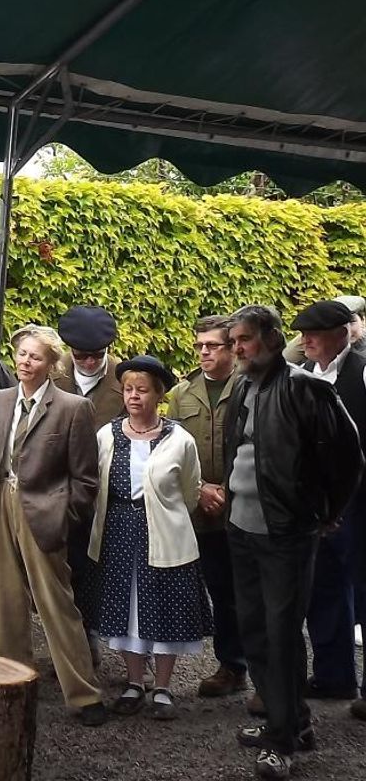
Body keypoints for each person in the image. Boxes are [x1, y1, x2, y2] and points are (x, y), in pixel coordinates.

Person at [224, 305, 362, 780]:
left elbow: (349, 457)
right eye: (234, 341)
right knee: (255, 629)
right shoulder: (242, 385)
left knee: (282, 634)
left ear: (272, 338)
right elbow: (237, 452)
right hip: (241, 529)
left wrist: (328, 512)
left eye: (244, 340)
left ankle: (281, 740)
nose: (237, 349)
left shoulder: (307, 389)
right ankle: (295, 723)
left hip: (286, 533)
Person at [0, 324, 108, 726]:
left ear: (52, 364)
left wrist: (63, 515)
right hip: (0, 501)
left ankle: (83, 694)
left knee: (56, 602)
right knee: (5, 600)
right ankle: (12, 685)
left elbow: (86, 480)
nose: (25, 362)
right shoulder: (0, 400)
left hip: (45, 510)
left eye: (35, 357)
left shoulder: (72, 407)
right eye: (21, 354)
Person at [84, 356, 211, 721]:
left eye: (142, 390)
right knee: (127, 608)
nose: (134, 397)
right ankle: (135, 682)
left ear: (159, 395)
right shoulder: (106, 435)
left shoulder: (180, 440)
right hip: (117, 530)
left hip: (166, 533)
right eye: (128, 390)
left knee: (164, 606)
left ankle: (164, 688)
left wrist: (165, 515)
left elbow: (191, 491)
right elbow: (96, 484)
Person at [167, 316, 249, 699]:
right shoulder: (184, 393)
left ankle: (267, 677)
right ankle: (231, 665)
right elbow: (172, 452)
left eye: (213, 345)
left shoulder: (250, 386)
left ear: (233, 348)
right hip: (204, 510)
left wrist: (232, 491)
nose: (203, 352)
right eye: (200, 345)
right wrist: (199, 490)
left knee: (254, 591)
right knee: (220, 588)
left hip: (246, 507)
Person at [293, 301, 366, 709]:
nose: (306, 340)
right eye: (304, 333)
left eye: (315, 333)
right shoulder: (302, 377)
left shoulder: (363, 371)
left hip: (360, 500)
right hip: (318, 503)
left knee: (364, 588)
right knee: (322, 588)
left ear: (343, 333)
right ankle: (333, 676)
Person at [54, 305, 125, 647]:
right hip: (60, 490)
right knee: (65, 566)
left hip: (106, 491)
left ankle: (94, 636)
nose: (90, 364)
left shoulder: (125, 379)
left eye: (97, 356)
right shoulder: (51, 374)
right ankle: (70, 641)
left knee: (99, 568)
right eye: (81, 357)